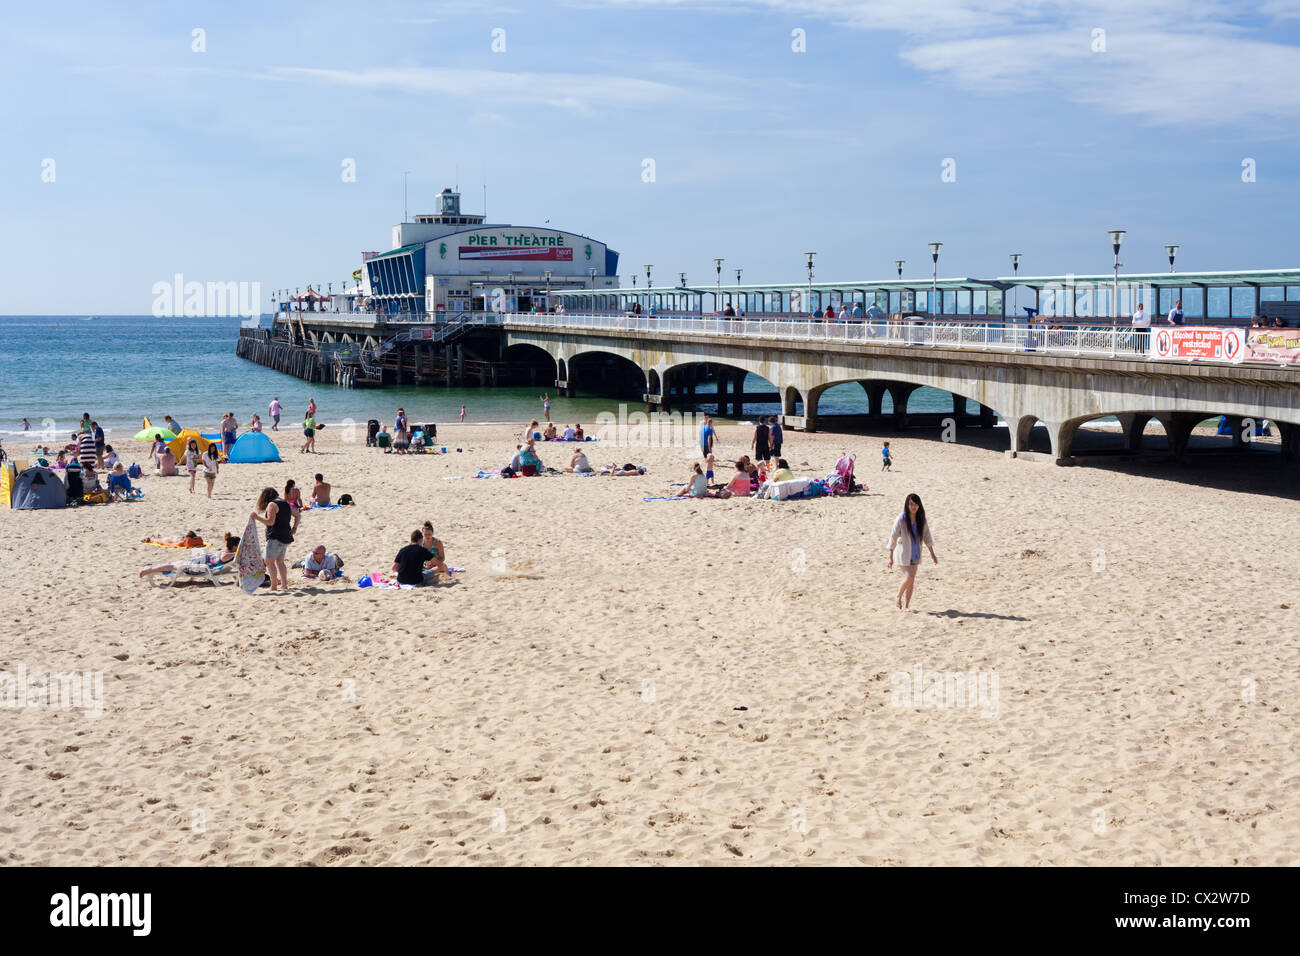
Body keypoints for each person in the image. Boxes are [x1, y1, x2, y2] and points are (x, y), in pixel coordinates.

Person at [887, 493, 938, 611]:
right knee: (909, 576)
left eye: (916, 504)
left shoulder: (921, 519)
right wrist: (890, 557)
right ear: (907, 505)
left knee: (912, 580)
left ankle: (906, 606)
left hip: (915, 553)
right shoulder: (901, 519)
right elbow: (893, 537)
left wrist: (932, 554)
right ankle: (898, 596)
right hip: (903, 553)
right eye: (911, 504)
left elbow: (927, 536)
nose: (913, 507)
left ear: (919, 505)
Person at [251, 486, 298, 592]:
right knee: (280, 562)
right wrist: (294, 528)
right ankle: (284, 585)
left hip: (275, 537)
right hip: (286, 536)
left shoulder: (272, 504)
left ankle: (273, 586)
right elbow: (298, 515)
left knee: (269, 562)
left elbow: (270, 522)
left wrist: (257, 518)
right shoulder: (285, 503)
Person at [139, 534, 239, 579]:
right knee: (174, 565)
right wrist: (237, 553)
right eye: (239, 546)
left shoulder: (226, 551)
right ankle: (148, 570)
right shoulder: (226, 554)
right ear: (234, 546)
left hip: (199, 564)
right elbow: (224, 557)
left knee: (174, 564)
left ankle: (149, 569)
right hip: (197, 567)